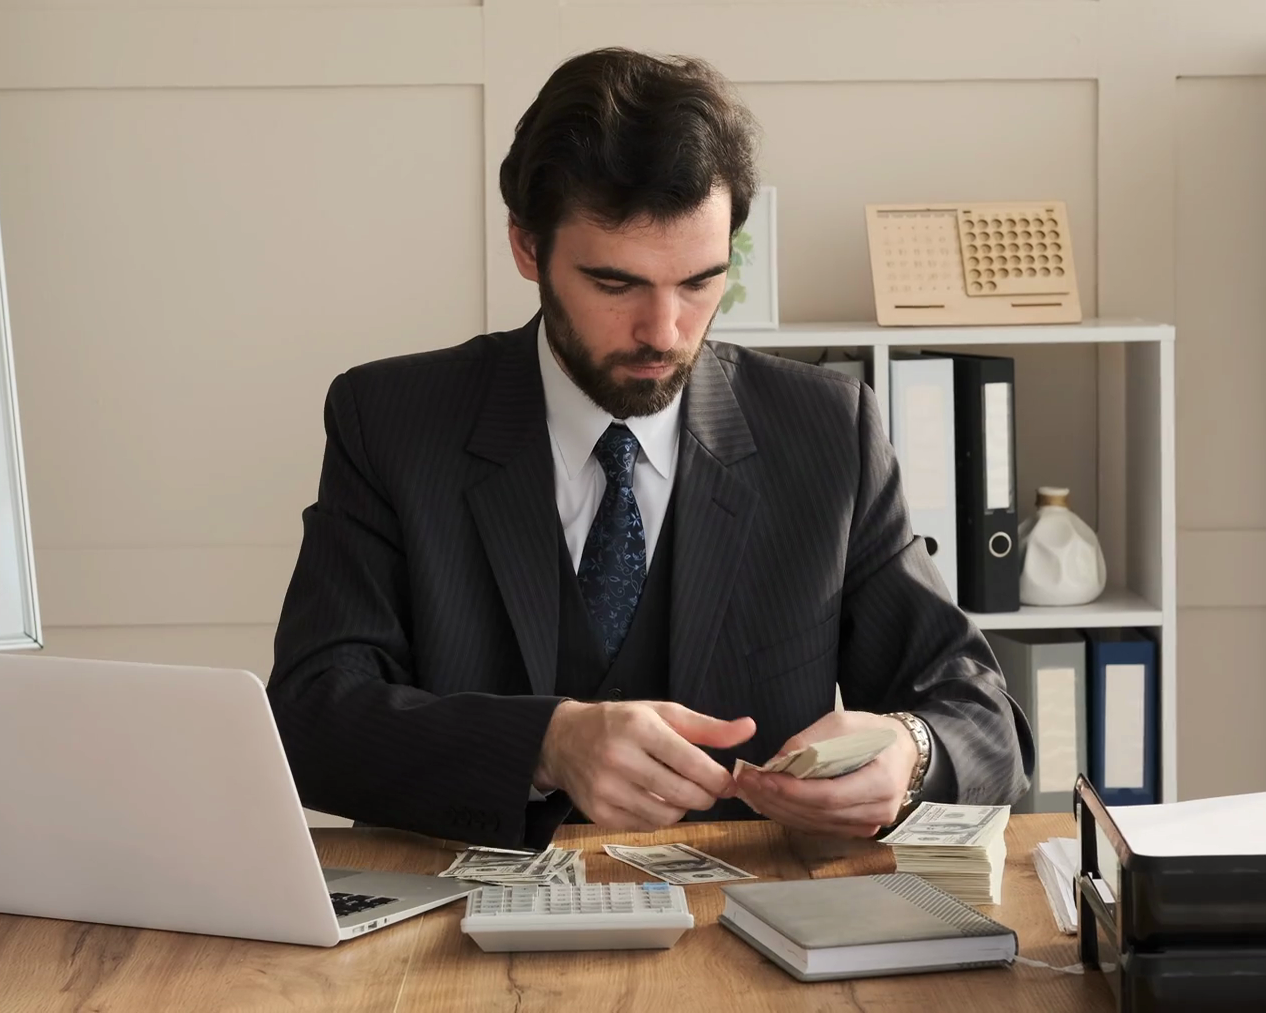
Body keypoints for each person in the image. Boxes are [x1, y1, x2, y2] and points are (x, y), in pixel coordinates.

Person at [268, 47, 1031, 851]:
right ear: (528, 248)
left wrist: (910, 754)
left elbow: (985, 724)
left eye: (701, 282)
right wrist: (547, 742)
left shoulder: (827, 430)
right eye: (615, 284)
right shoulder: (388, 420)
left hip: (747, 948)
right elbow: (313, 716)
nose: (664, 332)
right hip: (450, 942)